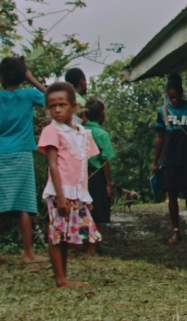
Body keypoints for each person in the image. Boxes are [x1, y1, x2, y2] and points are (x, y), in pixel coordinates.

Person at [0, 56, 48, 266]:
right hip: (22, 153)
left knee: (0, 205)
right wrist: (31, 78)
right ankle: (28, 253)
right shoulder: (29, 94)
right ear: (22, 76)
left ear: (2, 77)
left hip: (2, 155)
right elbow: (50, 97)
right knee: (25, 204)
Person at [39, 82, 102, 287]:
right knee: (57, 234)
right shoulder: (52, 131)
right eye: (52, 106)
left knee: (65, 235)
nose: (57, 110)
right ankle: (60, 278)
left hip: (76, 192)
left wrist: (85, 196)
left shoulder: (82, 133)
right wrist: (59, 196)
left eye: (62, 105)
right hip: (60, 190)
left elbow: (83, 166)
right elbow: (53, 165)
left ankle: (63, 276)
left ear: (73, 106)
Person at [151, 75, 187, 244]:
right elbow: (160, 137)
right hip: (169, 157)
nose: (173, 100)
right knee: (171, 193)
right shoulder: (163, 111)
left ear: (181, 93)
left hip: (186, 155)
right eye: (170, 96)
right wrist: (155, 161)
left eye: (176, 96)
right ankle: (175, 229)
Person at [81, 99, 115, 256]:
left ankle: (83, 244)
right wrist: (108, 183)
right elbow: (105, 160)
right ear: (102, 114)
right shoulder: (102, 134)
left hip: (79, 174)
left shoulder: (79, 130)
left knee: (82, 208)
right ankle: (93, 247)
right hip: (96, 174)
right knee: (95, 209)